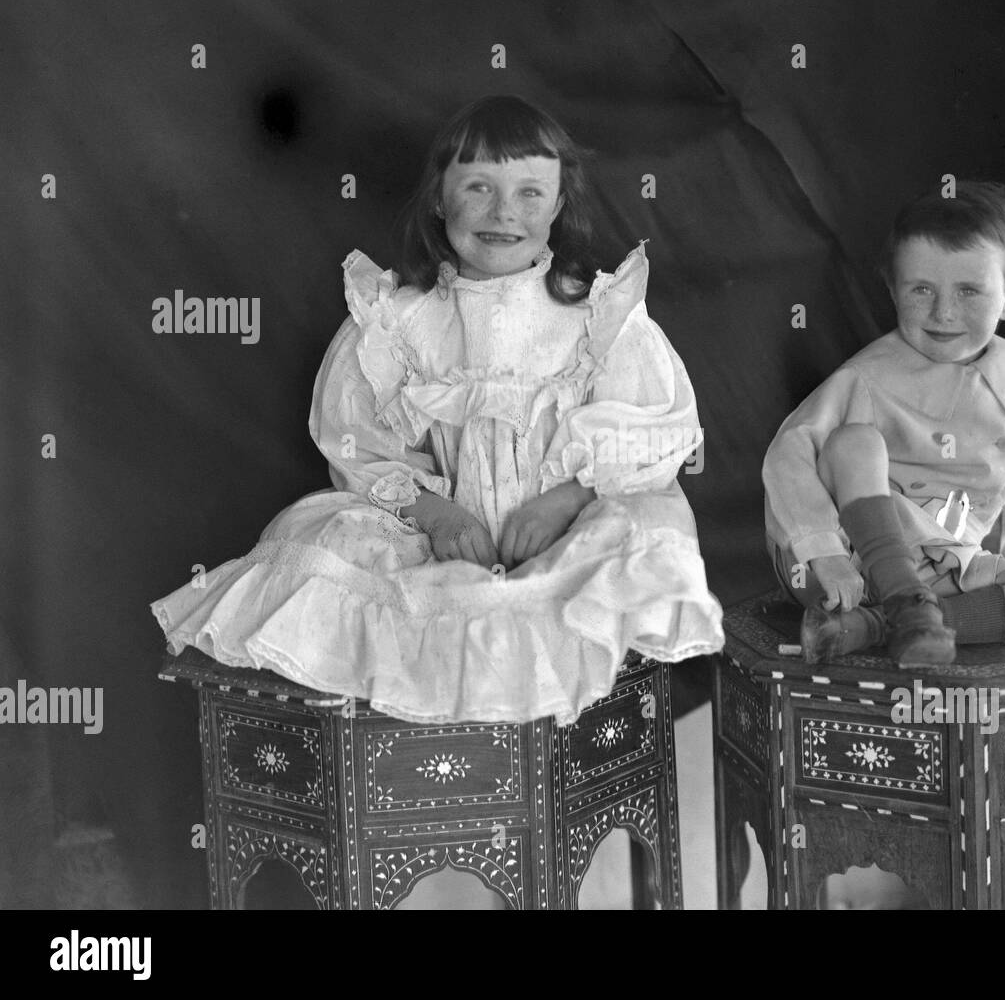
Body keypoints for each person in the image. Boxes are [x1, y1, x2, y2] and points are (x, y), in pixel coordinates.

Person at [152, 95, 723, 723]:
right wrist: (434, 513)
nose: (504, 213)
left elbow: (654, 436)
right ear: (438, 199)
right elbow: (358, 445)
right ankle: (423, 746)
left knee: (642, 526)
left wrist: (566, 500)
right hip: (445, 539)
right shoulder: (400, 321)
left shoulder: (596, 315)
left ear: (559, 205)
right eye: (478, 187)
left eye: (531, 193)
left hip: (565, 527)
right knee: (328, 535)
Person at [762, 181, 1005, 668]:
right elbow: (788, 456)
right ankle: (899, 602)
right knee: (854, 444)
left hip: (947, 565)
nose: (944, 312)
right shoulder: (864, 377)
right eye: (922, 289)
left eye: (970, 290)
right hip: (849, 566)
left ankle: (881, 627)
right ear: (893, 289)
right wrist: (823, 553)